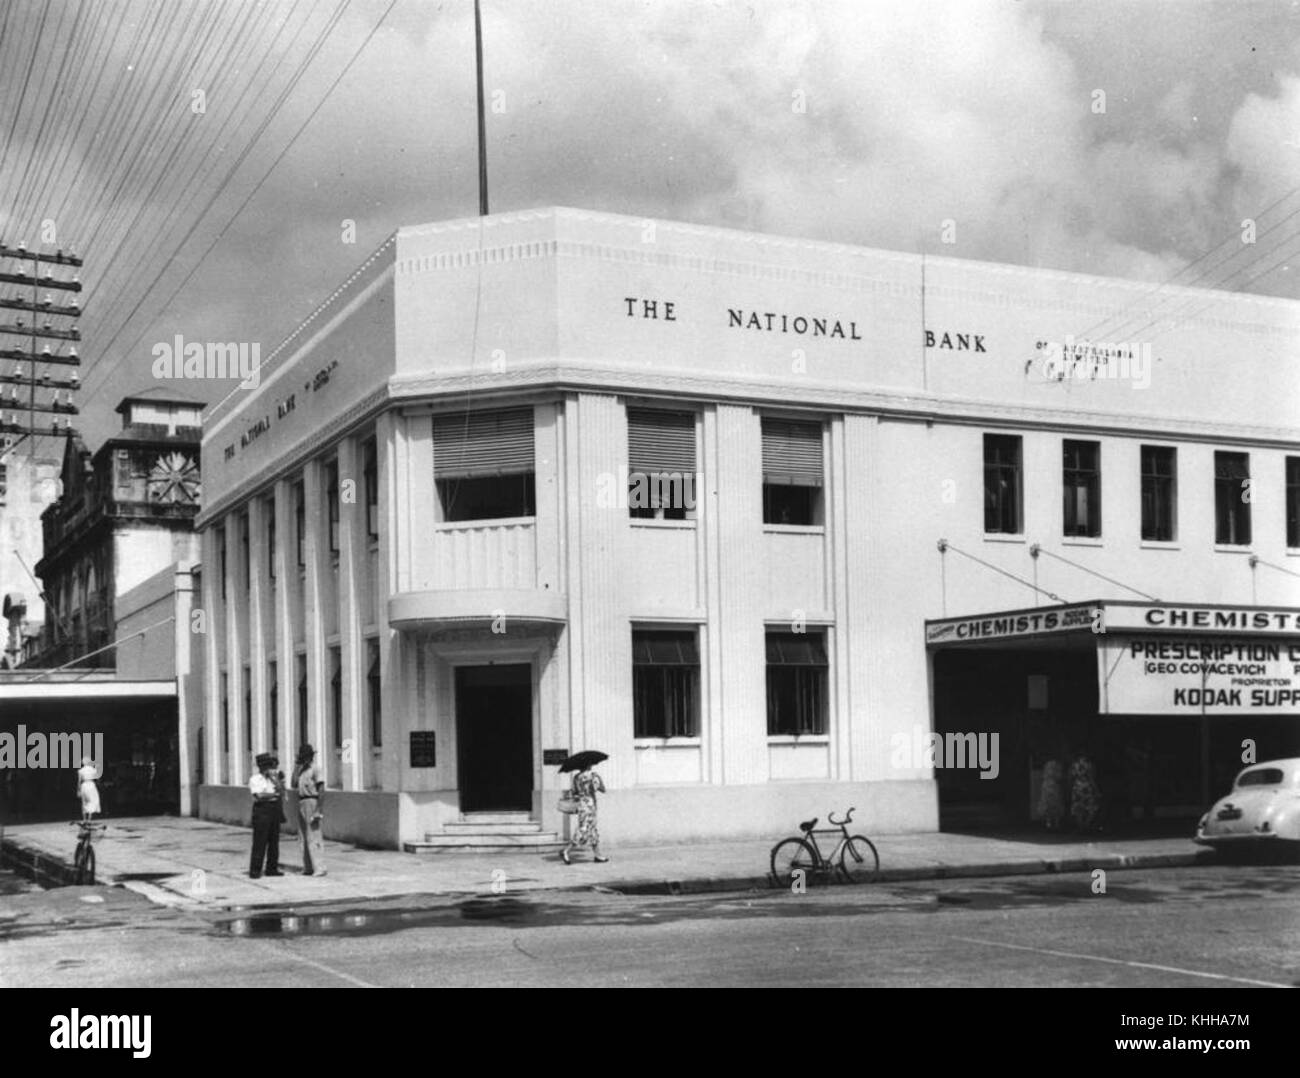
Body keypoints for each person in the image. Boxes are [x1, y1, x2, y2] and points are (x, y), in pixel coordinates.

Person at [560, 764, 607, 865]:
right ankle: (566, 851)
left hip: (582, 805)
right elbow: (602, 789)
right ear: (589, 765)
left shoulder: (576, 777)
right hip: (590, 805)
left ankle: (598, 855)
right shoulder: (593, 776)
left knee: (592, 829)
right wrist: (599, 782)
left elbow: (574, 792)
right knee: (583, 829)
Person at [291, 743, 326, 877]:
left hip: (312, 800)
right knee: (302, 836)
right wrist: (296, 767)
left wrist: (318, 810)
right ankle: (308, 867)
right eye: (302, 757)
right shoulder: (300, 770)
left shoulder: (315, 769)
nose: (304, 759)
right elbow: (293, 784)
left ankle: (320, 867)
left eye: (305, 757)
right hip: (301, 801)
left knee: (313, 835)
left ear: (310, 757)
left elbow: (321, 790)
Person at [248, 752, 284, 878]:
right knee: (260, 841)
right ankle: (255, 869)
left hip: (274, 809)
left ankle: (272, 868)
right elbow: (258, 796)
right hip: (262, 810)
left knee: (274, 841)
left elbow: (281, 790)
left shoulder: (273, 778)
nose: (268, 768)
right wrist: (272, 795)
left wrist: (274, 779)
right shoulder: (255, 779)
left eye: (269, 766)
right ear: (261, 767)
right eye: (266, 766)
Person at [1068, 750, 1103, 833]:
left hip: (1077, 787)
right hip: (1087, 787)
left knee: (1078, 808)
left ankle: (1081, 827)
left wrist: (1070, 787)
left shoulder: (1074, 764)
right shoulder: (1089, 764)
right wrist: (1096, 790)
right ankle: (1087, 826)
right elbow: (1091, 778)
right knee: (1091, 808)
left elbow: (1070, 776)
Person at [1037, 757, 1066, 831]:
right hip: (1054, 785)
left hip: (1047, 785)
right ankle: (1056, 823)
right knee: (1055, 804)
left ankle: (1048, 823)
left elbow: (1044, 775)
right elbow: (1059, 776)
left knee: (1048, 803)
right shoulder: (1057, 765)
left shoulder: (1047, 764)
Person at [76, 755, 101, 821]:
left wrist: (78, 791)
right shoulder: (93, 769)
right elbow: (98, 778)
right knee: (92, 801)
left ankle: (84, 819)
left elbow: (79, 782)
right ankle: (89, 819)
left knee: (84, 802)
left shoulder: (80, 770)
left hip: (84, 785)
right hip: (91, 785)